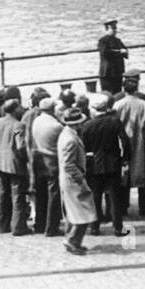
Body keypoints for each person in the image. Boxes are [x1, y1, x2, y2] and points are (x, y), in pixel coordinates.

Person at [82, 92, 130, 237]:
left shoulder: (88, 125)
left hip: (94, 163)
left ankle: (94, 227)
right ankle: (118, 227)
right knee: (115, 197)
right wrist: (125, 159)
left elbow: (84, 146)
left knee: (95, 197)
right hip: (113, 163)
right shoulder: (115, 121)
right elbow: (125, 141)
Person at [0, 98, 31, 236]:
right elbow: (21, 146)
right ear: (15, 109)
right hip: (14, 164)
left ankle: (1, 225)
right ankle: (18, 227)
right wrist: (25, 159)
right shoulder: (19, 125)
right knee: (17, 195)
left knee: (2, 194)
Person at [114, 71, 145, 217]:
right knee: (144, 175)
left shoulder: (117, 105)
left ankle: (123, 206)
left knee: (123, 175)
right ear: (136, 88)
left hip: (123, 143)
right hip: (141, 142)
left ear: (124, 89)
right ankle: (144, 208)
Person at [57, 107, 96, 255]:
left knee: (73, 212)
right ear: (77, 123)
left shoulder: (66, 134)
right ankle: (72, 240)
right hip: (73, 181)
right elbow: (69, 164)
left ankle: (73, 240)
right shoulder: (70, 139)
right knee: (85, 212)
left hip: (68, 179)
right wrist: (81, 180)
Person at [29, 97, 63, 237]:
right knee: (54, 195)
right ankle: (51, 226)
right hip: (52, 160)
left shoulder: (36, 121)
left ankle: (40, 224)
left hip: (38, 159)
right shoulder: (56, 126)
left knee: (41, 194)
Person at [96, 20, 129, 95]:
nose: (115, 31)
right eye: (113, 29)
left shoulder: (118, 40)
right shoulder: (103, 41)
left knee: (117, 93)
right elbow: (105, 52)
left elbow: (125, 51)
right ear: (107, 29)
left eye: (115, 28)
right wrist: (119, 52)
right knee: (107, 94)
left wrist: (123, 52)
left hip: (118, 72)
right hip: (107, 72)